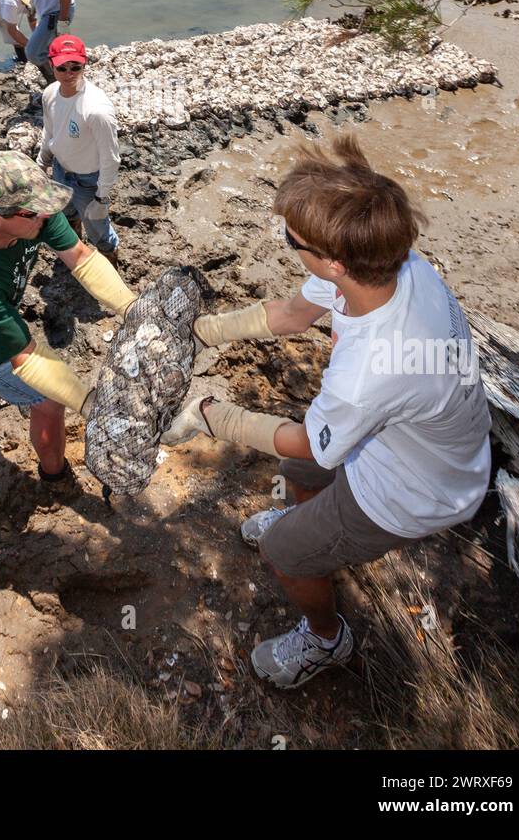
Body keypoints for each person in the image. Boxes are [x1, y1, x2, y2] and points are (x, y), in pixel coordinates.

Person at [163, 133, 491, 691]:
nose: (285, 242)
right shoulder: (394, 264)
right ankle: (306, 525)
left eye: (291, 239)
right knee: (297, 474)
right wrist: (206, 333)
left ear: (334, 261)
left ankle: (325, 637)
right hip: (405, 436)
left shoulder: (373, 367)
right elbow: (294, 313)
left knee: (282, 550)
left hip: (418, 488)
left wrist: (211, 414)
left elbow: (314, 442)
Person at [0, 151, 137, 483]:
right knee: (49, 402)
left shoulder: (33, 212)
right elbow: (28, 357)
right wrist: (92, 406)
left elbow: (81, 258)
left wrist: (134, 310)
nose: (47, 214)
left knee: (48, 386)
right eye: (35, 210)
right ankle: (56, 478)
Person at [36, 34, 121, 256]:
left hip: (88, 182)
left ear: (85, 65)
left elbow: (110, 158)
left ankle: (111, 260)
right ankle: (76, 251)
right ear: (51, 65)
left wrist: (102, 198)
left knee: (100, 234)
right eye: (62, 67)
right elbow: (50, 131)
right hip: (60, 171)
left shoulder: (96, 110)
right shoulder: (49, 94)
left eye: (75, 66)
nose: (69, 73)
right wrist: (42, 161)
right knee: (67, 216)